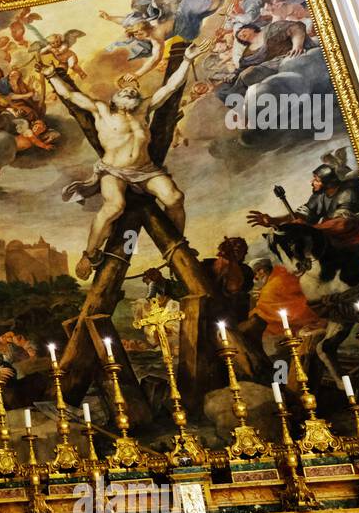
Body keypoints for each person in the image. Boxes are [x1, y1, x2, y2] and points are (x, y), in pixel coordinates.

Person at [52, 42, 205, 279]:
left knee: (175, 198)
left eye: (134, 90)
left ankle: (176, 247)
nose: (131, 91)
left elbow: (171, 87)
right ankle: (90, 254)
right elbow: (71, 95)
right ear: (116, 96)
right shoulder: (101, 110)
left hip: (146, 170)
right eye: (125, 90)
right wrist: (52, 75)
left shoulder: (143, 109)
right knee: (115, 206)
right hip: (113, 171)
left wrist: (186, 60)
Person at [247, 164, 359, 286]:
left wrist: (308, 228)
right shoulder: (319, 196)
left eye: (316, 180)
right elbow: (302, 216)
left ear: (329, 183)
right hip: (337, 241)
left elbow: (342, 224)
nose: (312, 182)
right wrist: (273, 220)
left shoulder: (347, 193)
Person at [242, 257, 322, 342]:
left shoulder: (271, 287)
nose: (256, 279)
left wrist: (254, 306)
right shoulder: (281, 274)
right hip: (304, 315)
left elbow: (264, 314)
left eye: (256, 274)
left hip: (298, 320)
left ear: (262, 270)